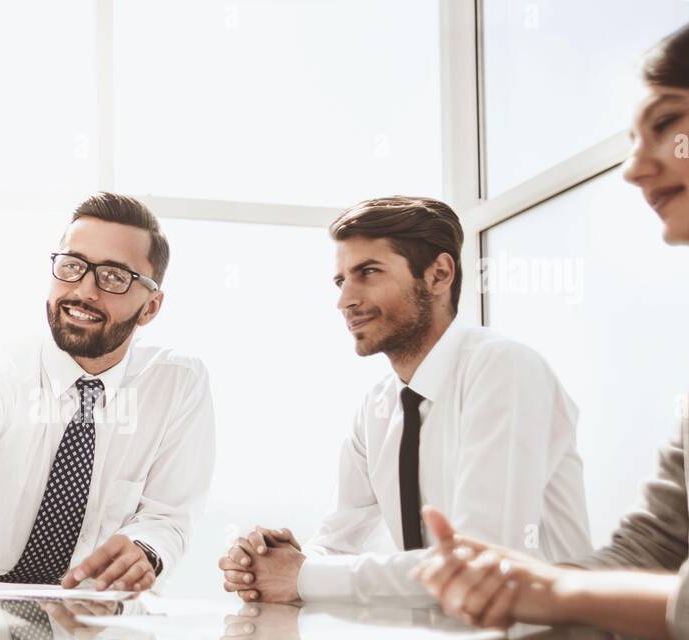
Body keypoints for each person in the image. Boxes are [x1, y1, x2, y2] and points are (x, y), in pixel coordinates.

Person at [414, 10, 689, 640]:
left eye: (667, 125)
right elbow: (655, 546)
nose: (634, 168)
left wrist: (557, 593)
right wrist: (516, 586)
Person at [218, 197, 590, 605]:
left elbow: (479, 566)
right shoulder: (377, 407)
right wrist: (274, 562)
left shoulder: (504, 369)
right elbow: (341, 543)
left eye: (369, 273)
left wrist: (303, 576)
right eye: (341, 281)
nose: (346, 301)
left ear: (439, 274)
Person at [0, 193, 215, 592]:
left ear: (150, 308)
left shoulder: (177, 383)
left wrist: (145, 552)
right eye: (72, 266)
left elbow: (169, 518)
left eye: (113, 276)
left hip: (95, 619)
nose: (84, 291)